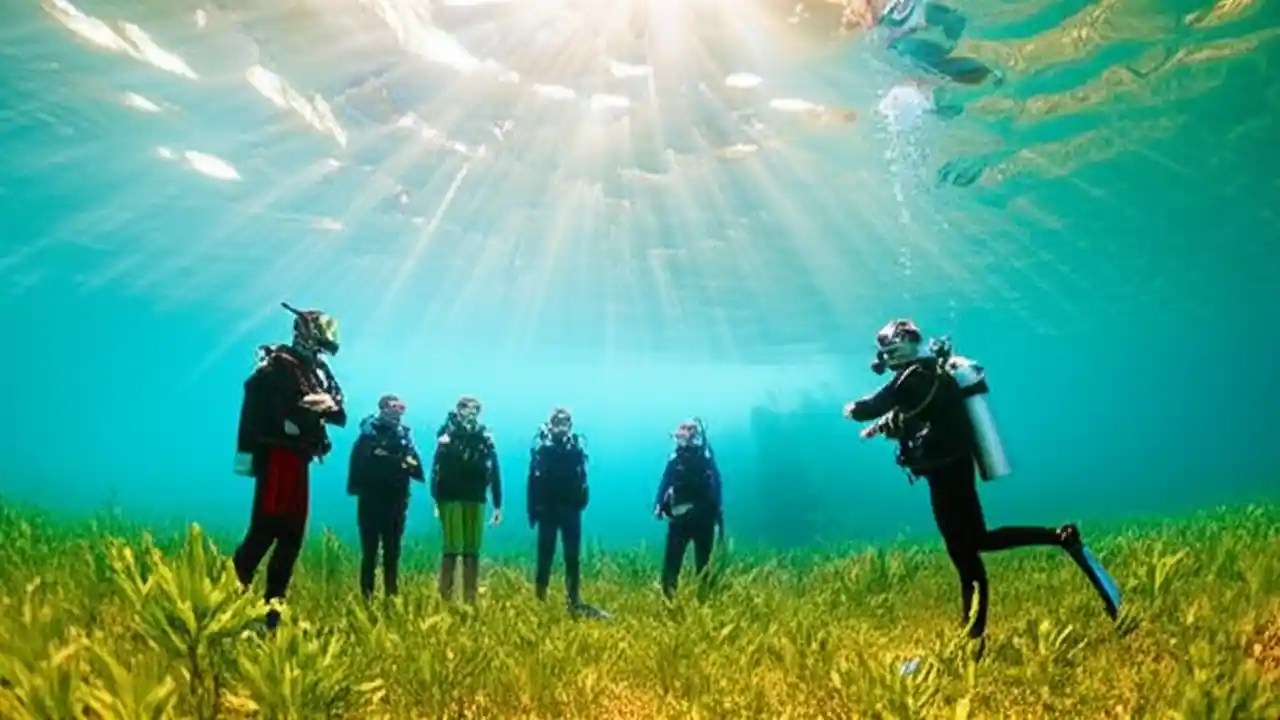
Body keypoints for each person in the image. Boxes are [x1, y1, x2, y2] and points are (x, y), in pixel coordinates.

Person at [843, 319, 1121, 650]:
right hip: (951, 469)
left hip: (947, 473)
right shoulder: (930, 374)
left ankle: (974, 636)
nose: (884, 359)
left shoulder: (913, 378)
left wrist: (852, 410)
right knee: (976, 542)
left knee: (965, 551)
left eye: (887, 352)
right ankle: (1058, 540)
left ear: (897, 349)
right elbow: (924, 418)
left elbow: (867, 408)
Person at [232, 302, 347, 629]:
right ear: (306, 332)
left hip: (299, 460)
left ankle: (272, 615)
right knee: (265, 531)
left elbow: (339, 413)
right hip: (278, 459)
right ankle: (228, 602)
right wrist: (303, 411)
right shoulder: (279, 366)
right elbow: (262, 402)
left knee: (291, 536)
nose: (328, 335)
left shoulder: (316, 371)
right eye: (324, 328)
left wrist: (320, 407)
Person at [347, 393, 424, 601]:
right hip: (371, 501)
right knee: (370, 552)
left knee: (392, 551)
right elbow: (361, 465)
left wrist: (397, 460)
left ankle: (391, 596)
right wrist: (398, 462)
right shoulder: (368, 435)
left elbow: (417, 469)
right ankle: (367, 597)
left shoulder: (404, 437)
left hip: (396, 501)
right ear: (382, 409)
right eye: (393, 408)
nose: (397, 413)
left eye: (401, 408)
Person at [430, 395, 502, 605]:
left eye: (476, 409)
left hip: (476, 497)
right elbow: (436, 469)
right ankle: (445, 598)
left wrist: (497, 504)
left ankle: (470, 599)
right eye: (468, 408)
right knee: (451, 547)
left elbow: (494, 470)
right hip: (450, 496)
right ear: (459, 410)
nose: (472, 413)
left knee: (472, 548)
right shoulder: (447, 435)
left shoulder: (484, 438)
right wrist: (436, 499)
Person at [526, 407, 598, 614]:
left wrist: (581, 502)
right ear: (550, 425)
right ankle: (540, 599)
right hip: (547, 511)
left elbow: (582, 478)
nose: (561, 428)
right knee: (545, 556)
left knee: (572, 558)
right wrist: (532, 512)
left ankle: (573, 600)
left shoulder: (576, 448)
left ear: (570, 426)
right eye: (557, 423)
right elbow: (532, 483)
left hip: (571, 511)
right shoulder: (542, 449)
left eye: (565, 423)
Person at [653, 419, 724, 601]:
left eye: (690, 430)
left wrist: (716, 508)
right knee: (674, 561)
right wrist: (659, 504)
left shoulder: (704, 457)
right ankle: (670, 597)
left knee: (702, 562)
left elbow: (716, 482)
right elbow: (666, 481)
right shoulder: (677, 458)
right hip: (682, 516)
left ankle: (703, 598)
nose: (685, 436)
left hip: (702, 517)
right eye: (683, 430)